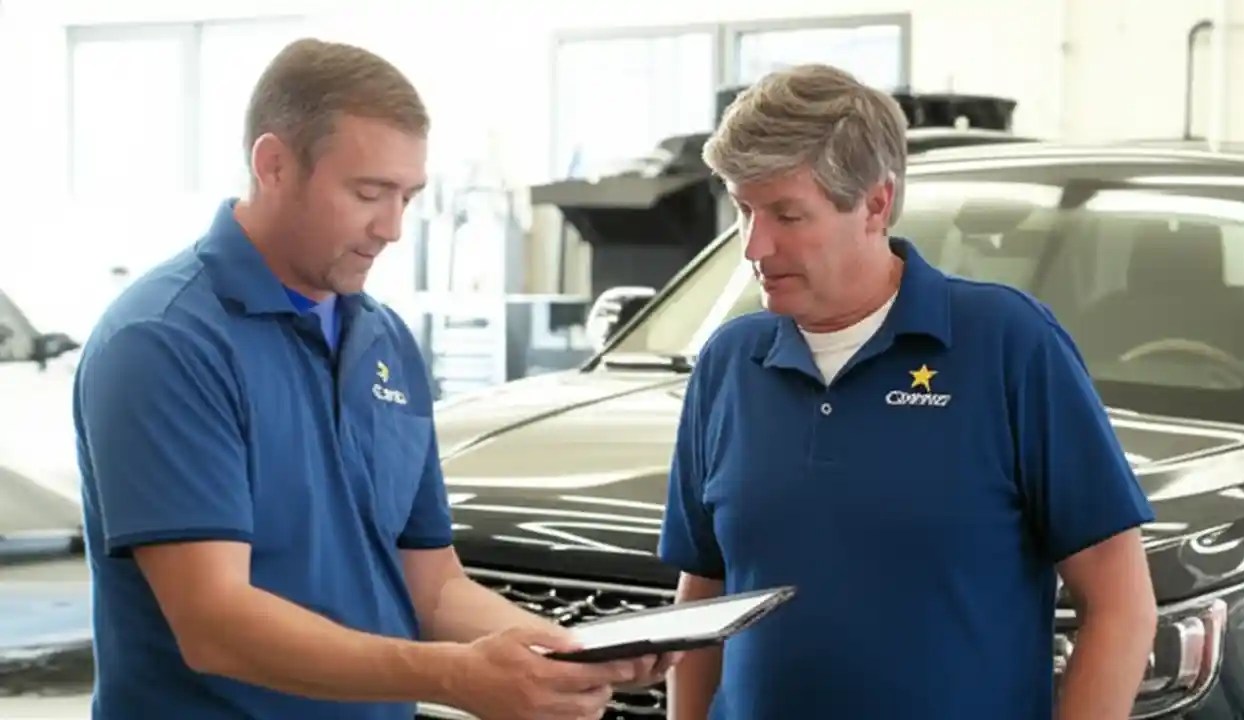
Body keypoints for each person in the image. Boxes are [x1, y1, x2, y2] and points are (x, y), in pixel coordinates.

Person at [73, 38, 674, 720]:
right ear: (273, 164)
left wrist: (561, 652)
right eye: (368, 193)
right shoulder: (165, 341)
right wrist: (451, 677)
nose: (391, 227)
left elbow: (433, 586)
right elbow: (216, 625)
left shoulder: (382, 340)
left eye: (408, 197)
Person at [657, 63, 1158, 719]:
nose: (756, 245)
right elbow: (704, 597)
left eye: (787, 214)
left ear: (875, 203)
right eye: (744, 209)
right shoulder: (729, 363)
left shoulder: (1008, 345)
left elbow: (1120, 606)